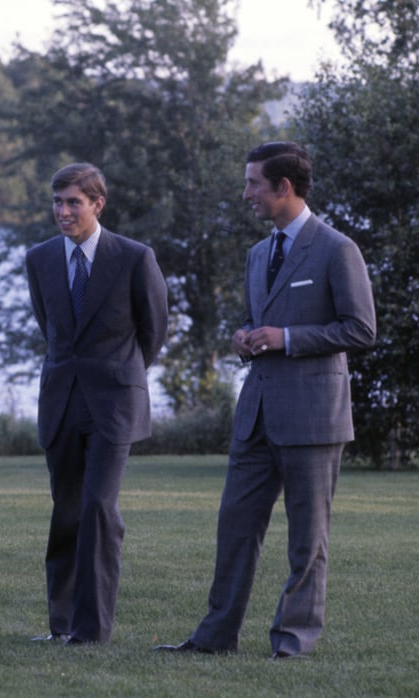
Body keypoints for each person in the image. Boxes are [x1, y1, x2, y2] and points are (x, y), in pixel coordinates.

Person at [155, 142, 376, 659]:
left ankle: (292, 641)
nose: (246, 193)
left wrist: (287, 338)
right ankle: (215, 638)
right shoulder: (259, 253)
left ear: (284, 187)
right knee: (235, 529)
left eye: (253, 183)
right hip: (255, 415)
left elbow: (361, 329)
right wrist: (246, 336)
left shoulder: (337, 249)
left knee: (308, 540)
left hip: (313, 418)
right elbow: (260, 321)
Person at [25, 163, 168, 645]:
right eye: (57, 202)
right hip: (61, 401)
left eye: (74, 202)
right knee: (67, 512)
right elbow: (51, 328)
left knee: (99, 508)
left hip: (114, 404)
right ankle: (62, 625)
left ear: (97, 204)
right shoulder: (40, 259)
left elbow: (153, 331)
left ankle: (92, 629)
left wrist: (120, 373)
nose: (63, 211)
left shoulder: (134, 257)